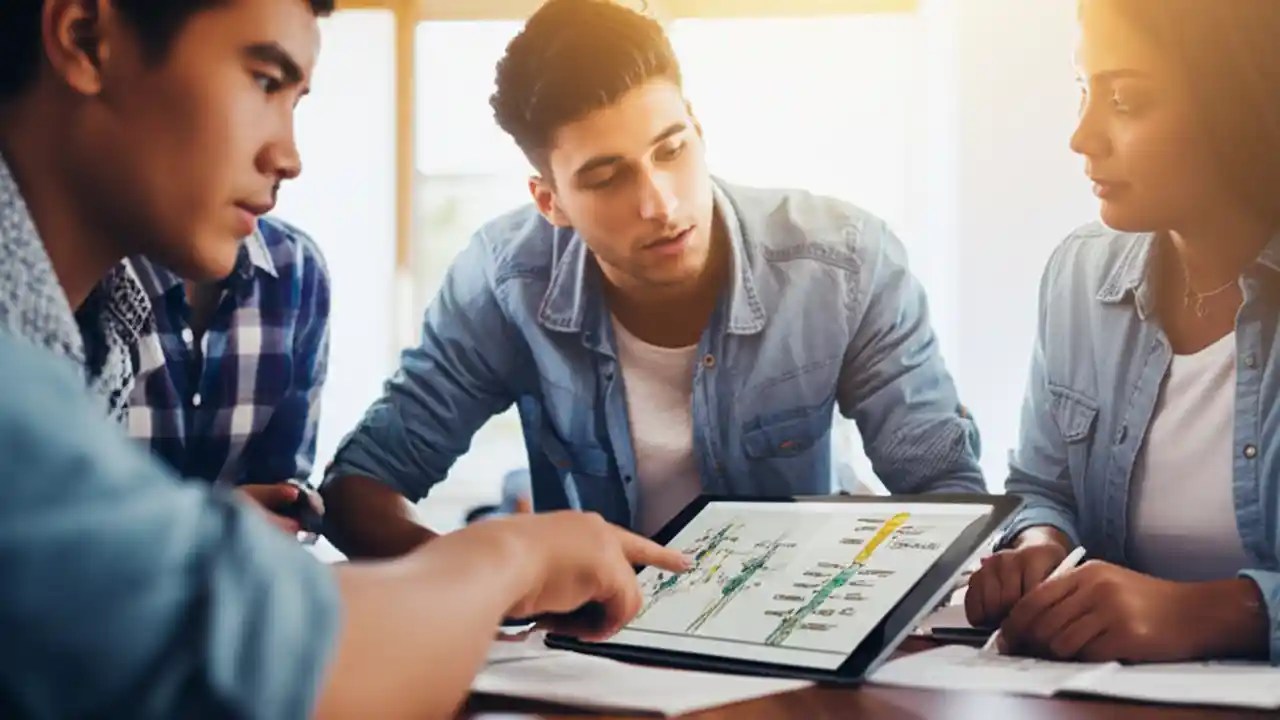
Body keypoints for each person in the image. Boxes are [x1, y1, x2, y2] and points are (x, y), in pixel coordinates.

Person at [0, 1, 686, 717]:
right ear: (86, 37)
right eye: (265, 80)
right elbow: (246, 662)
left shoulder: (90, 331)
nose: (289, 157)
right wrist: (514, 558)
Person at [322, 0, 984, 560]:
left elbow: (946, 493)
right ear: (549, 201)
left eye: (672, 150)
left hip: (800, 624)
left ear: (698, 127)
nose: (660, 203)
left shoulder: (845, 264)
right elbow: (360, 488)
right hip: (601, 652)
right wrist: (491, 577)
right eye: (607, 178)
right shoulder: (503, 281)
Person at [966, 0, 1280, 665]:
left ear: (1243, 103)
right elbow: (1041, 486)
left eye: (1127, 101)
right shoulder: (1081, 276)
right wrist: (1040, 545)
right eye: (1083, 91)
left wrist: (1222, 612)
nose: (1081, 137)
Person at [127, 216, 331, 533]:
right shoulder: (85, 271)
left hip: (245, 576)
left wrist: (288, 512)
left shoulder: (297, 269)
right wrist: (214, 528)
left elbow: (282, 492)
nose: (289, 165)